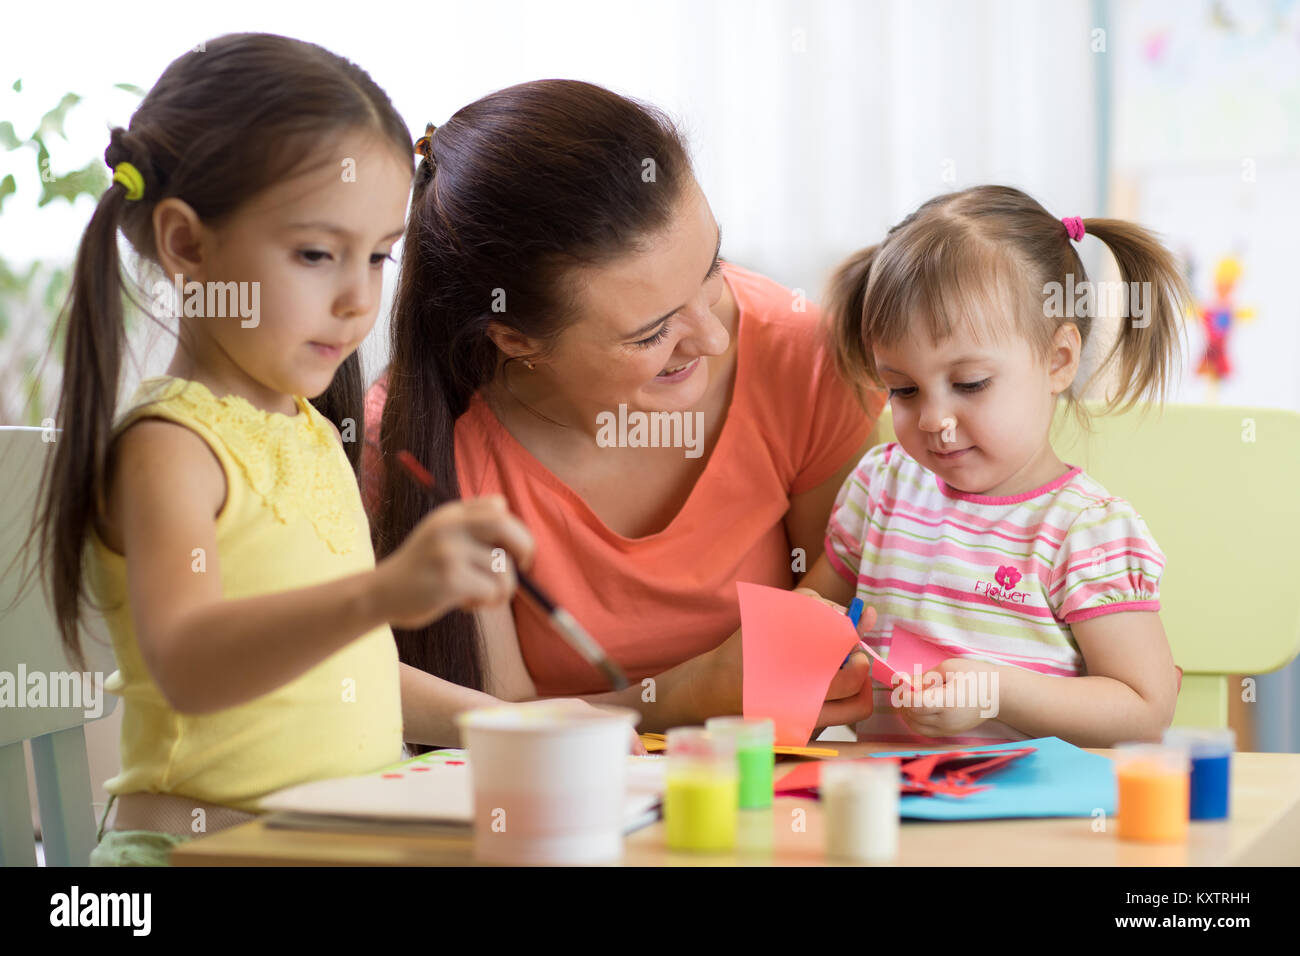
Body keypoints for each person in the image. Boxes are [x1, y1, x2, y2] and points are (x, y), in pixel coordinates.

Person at [28, 33, 533, 865]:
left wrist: (507, 723)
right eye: (315, 254)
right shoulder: (170, 447)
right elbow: (192, 666)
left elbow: (351, 671)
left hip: (323, 846)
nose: (357, 298)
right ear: (187, 246)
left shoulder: (305, 428)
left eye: (378, 256)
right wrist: (383, 596)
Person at [364, 80, 885, 742]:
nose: (715, 337)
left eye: (711, 266)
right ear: (517, 340)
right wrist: (680, 698)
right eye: (652, 333)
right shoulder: (421, 440)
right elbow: (503, 728)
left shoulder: (801, 353)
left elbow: (843, 622)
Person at [800, 185, 1188, 747]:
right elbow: (819, 615)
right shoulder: (881, 487)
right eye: (904, 389)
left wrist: (995, 690)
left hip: (1033, 824)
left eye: (969, 384)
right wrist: (807, 631)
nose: (934, 418)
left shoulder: (1086, 532)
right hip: (891, 813)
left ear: (1058, 361)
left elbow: (1144, 708)